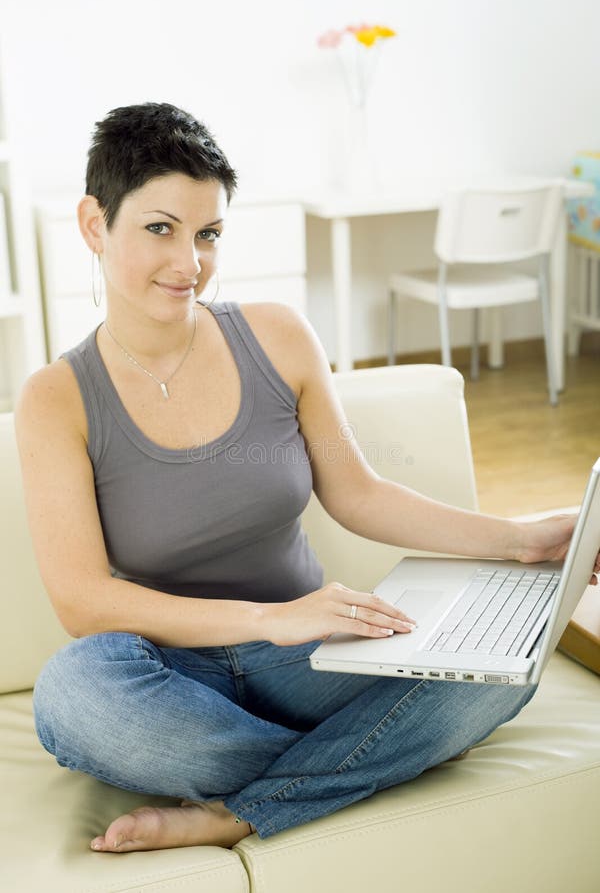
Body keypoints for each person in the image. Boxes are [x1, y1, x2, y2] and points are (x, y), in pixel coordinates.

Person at [15, 102, 600, 854]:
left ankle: (240, 808)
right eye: (160, 228)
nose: (189, 263)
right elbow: (83, 600)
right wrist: (264, 619)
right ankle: (374, 754)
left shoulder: (279, 336)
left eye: (208, 234)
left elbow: (361, 494)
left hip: (311, 656)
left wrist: (521, 540)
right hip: (166, 670)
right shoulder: (55, 399)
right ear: (95, 224)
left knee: (504, 673)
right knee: (73, 695)